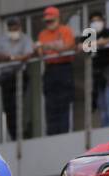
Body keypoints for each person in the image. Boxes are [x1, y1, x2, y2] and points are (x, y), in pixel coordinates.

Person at [0, 17, 34, 141]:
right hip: (6, 77)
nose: (13, 30)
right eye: (10, 28)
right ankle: (14, 136)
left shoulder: (25, 39)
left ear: (19, 27)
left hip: (20, 75)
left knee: (20, 105)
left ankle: (24, 132)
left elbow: (27, 56)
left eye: (15, 27)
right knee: (8, 108)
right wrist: (12, 58)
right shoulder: (2, 40)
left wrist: (10, 58)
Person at [37, 6, 76, 135]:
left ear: (57, 18)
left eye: (51, 20)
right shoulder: (43, 34)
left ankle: (64, 132)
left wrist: (51, 47)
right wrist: (54, 48)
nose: (49, 23)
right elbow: (41, 52)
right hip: (50, 69)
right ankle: (52, 133)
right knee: (50, 103)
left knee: (64, 102)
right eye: (47, 21)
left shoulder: (66, 30)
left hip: (64, 68)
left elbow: (69, 47)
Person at [85, 12, 109, 128]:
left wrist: (96, 43)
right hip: (97, 76)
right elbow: (83, 47)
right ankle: (105, 129)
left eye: (98, 20)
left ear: (103, 21)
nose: (95, 23)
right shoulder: (89, 34)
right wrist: (95, 42)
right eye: (93, 21)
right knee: (102, 105)